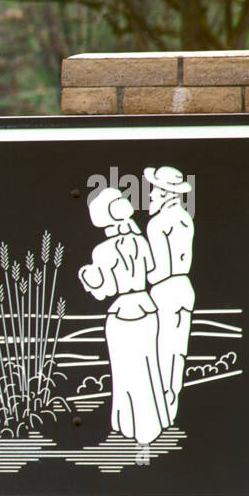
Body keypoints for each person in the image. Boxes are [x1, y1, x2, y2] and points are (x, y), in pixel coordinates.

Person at [78, 187, 169, 445]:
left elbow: (104, 290)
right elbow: (151, 271)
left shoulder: (102, 251)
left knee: (126, 370)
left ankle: (129, 423)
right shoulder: (140, 241)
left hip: (122, 314)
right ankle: (153, 423)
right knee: (148, 367)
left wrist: (87, 277)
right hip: (147, 309)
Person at [142, 166, 195, 425]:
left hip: (165, 290)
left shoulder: (157, 224)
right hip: (185, 288)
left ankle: (161, 414)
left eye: (154, 190)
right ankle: (172, 408)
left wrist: (140, 272)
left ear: (165, 193)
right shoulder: (186, 219)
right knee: (178, 352)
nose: (150, 195)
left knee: (162, 351)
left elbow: (160, 270)